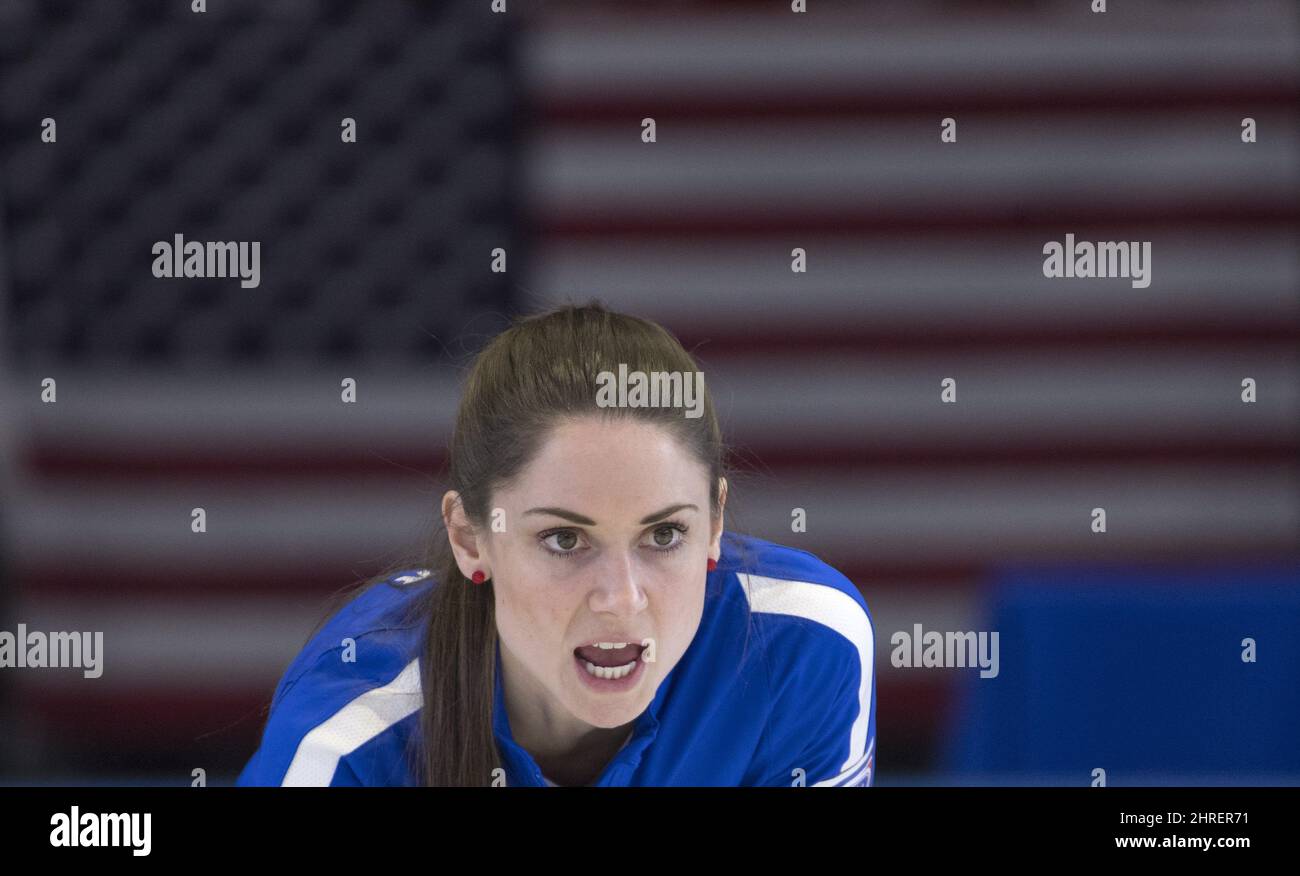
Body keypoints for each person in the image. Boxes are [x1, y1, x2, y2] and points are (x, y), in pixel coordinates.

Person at [236, 301, 875, 786]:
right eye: (565, 538)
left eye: (664, 534)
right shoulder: (350, 741)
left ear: (714, 526)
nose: (621, 600)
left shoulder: (802, 648)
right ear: (469, 538)